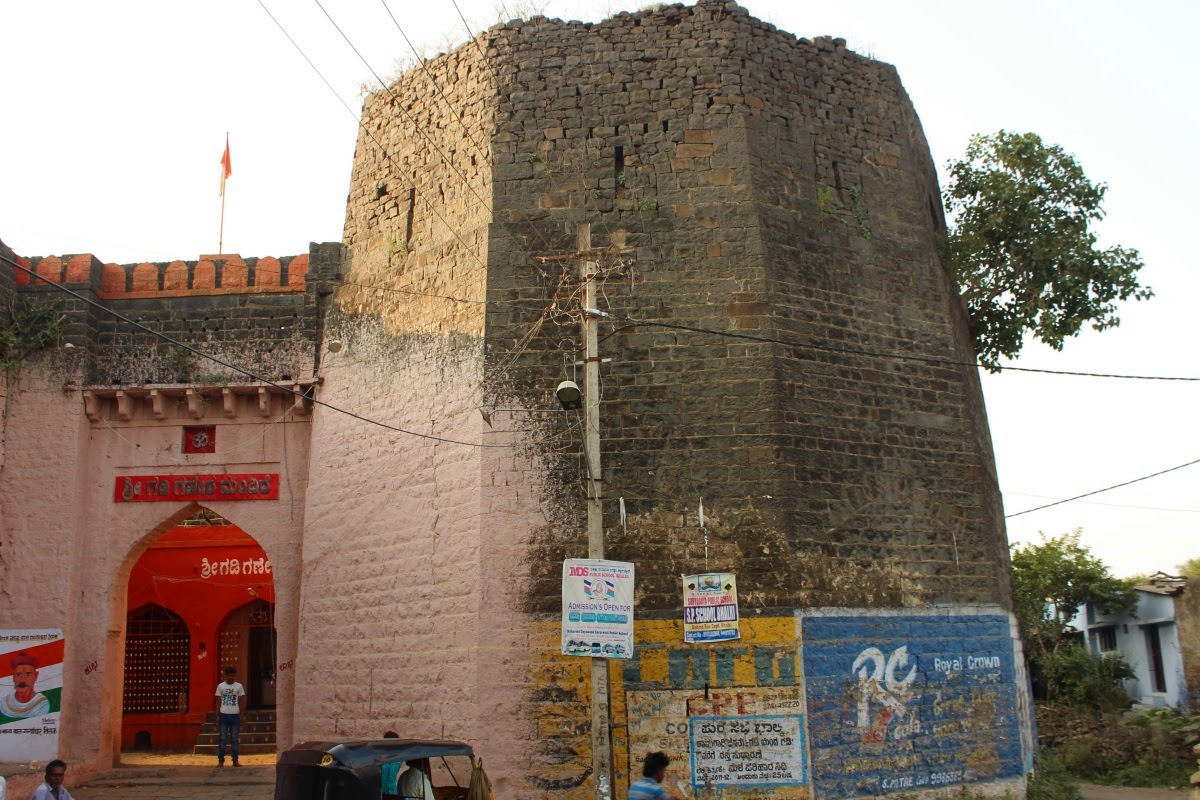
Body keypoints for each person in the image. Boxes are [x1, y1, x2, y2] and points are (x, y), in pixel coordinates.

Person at [213, 667, 246, 767]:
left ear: (235, 676)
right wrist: (217, 715)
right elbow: (218, 701)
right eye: (229, 675)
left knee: (234, 739)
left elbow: (241, 701)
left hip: (235, 714)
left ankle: (235, 760)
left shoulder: (239, 686)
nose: (230, 677)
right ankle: (221, 761)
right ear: (225, 676)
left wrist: (242, 714)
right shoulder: (220, 686)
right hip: (223, 714)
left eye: (232, 675)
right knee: (222, 739)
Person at [2, 653, 50, 720]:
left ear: (36, 676)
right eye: (18, 674)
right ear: (13, 677)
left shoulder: (42, 705)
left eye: (28, 674)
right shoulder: (4, 704)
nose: (22, 680)